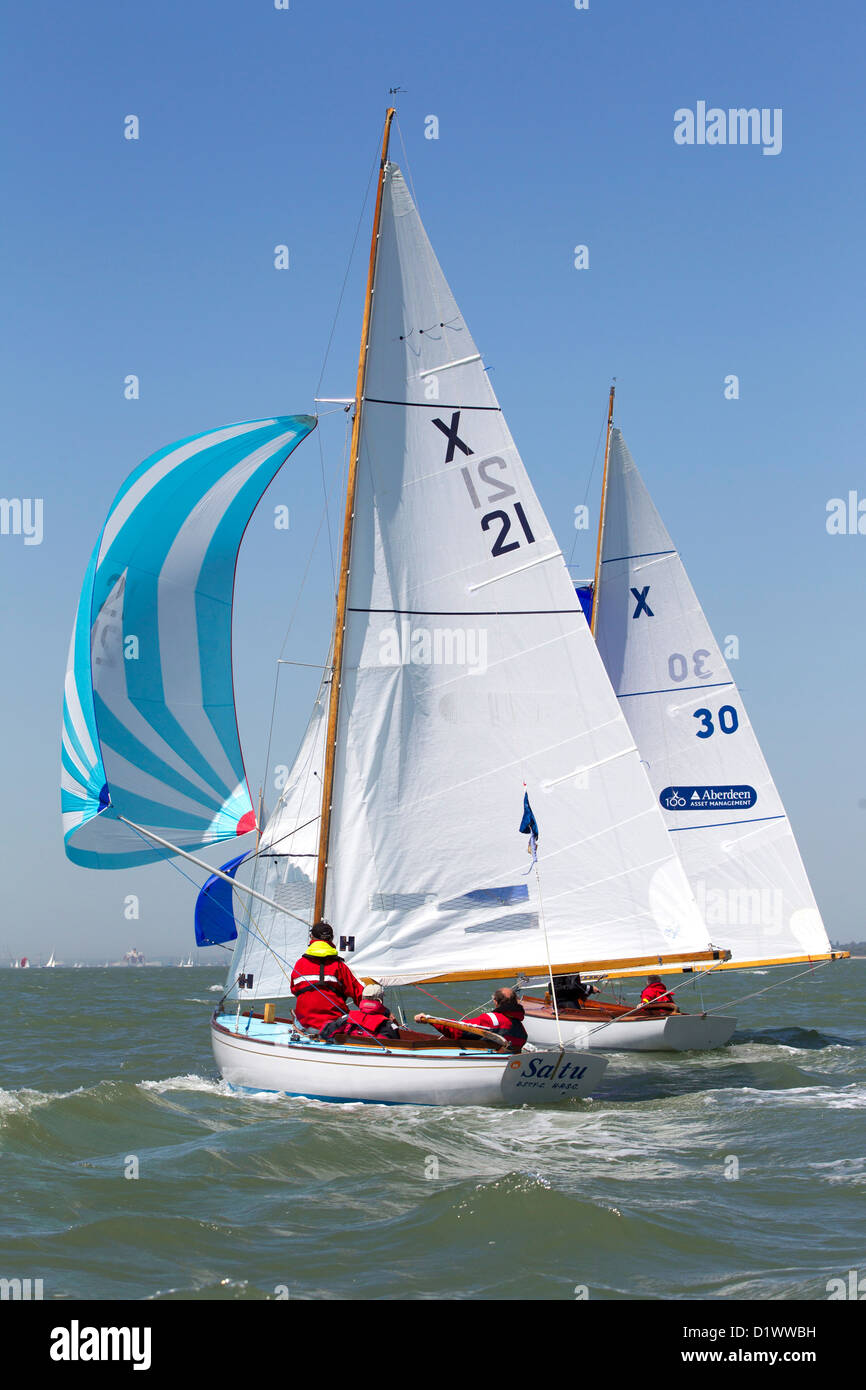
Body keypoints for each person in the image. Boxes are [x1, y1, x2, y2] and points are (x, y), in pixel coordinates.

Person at [290, 922, 363, 1033]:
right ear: (332, 939)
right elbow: (359, 995)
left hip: (305, 1025)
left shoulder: (300, 964)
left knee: (297, 1017)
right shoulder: (340, 966)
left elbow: (294, 990)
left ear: (311, 937)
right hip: (333, 1027)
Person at [415, 987, 527, 1053]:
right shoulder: (521, 1028)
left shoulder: (492, 1019)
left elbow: (458, 1030)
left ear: (495, 1002)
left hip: (490, 1063)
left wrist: (428, 1019)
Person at [334, 983, 401, 1041]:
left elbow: (327, 1033)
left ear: (363, 998)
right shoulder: (387, 1025)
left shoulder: (346, 1019)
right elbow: (398, 1044)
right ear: (380, 1000)